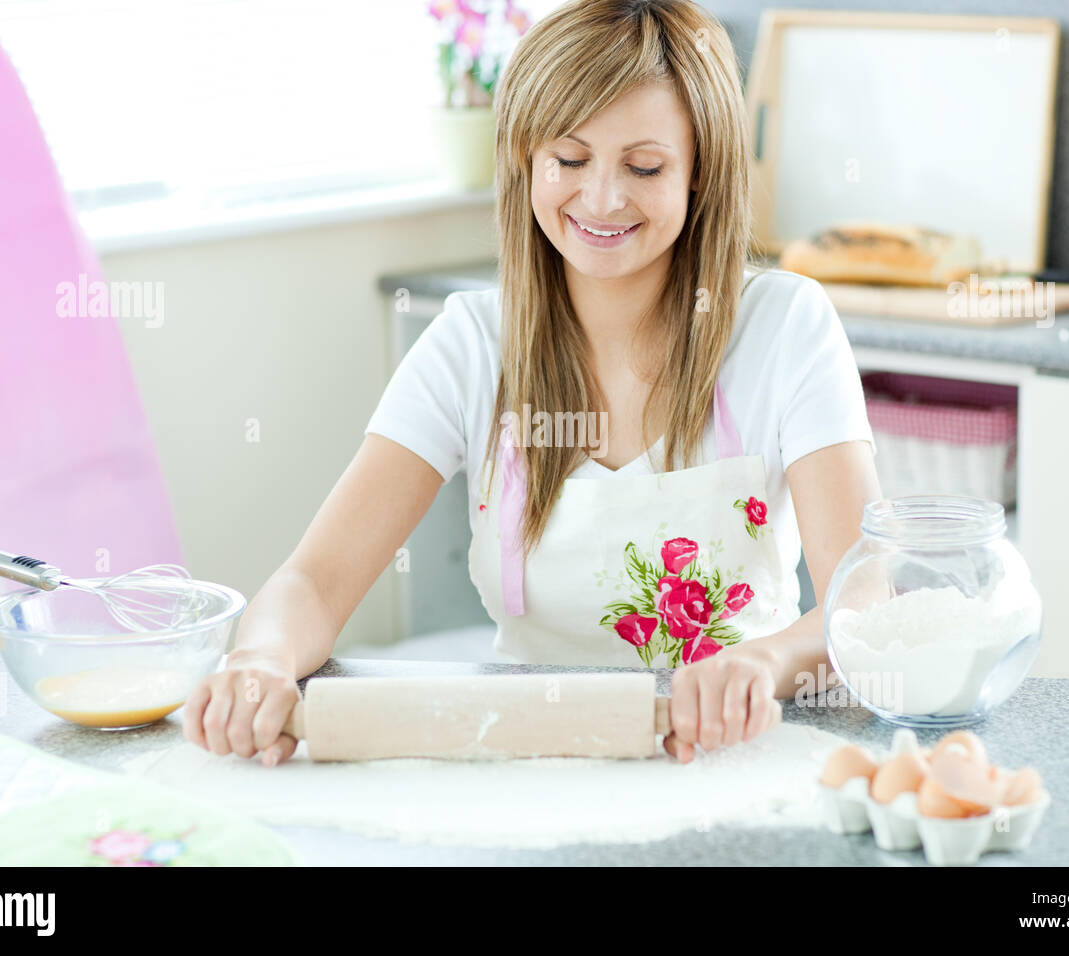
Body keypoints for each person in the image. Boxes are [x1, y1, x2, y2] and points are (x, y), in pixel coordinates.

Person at [185, 0, 880, 766]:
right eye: (570, 161)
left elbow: (866, 598)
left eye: (644, 167)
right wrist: (258, 662)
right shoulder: (471, 346)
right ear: (526, 160)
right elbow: (316, 583)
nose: (604, 199)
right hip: (529, 764)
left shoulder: (783, 326)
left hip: (736, 758)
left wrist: (765, 663)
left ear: (700, 171)